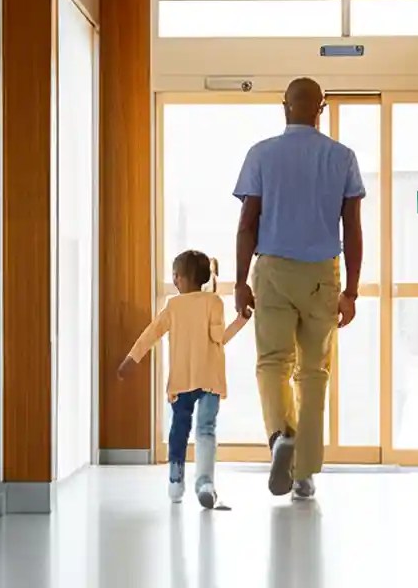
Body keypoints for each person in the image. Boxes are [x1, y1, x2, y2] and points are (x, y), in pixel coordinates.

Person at [233, 77, 365, 501]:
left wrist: (239, 281)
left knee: (272, 362)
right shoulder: (342, 157)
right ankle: (304, 472)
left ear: (283, 105)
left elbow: (247, 223)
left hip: (271, 269)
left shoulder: (261, 154)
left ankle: (279, 437)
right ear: (320, 108)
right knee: (313, 372)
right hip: (322, 274)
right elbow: (353, 228)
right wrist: (353, 291)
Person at [118, 251, 248, 507]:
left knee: (179, 429)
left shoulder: (174, 307)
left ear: (183, 278)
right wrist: (241, 321)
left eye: (175, 275)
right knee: (206, 430)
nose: (174, 280)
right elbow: (220, 339)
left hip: (182, 380)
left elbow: (150, 334)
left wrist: (132, 359)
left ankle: (176, 479)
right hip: (209, 378)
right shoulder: (214, 303)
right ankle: (205, 483)